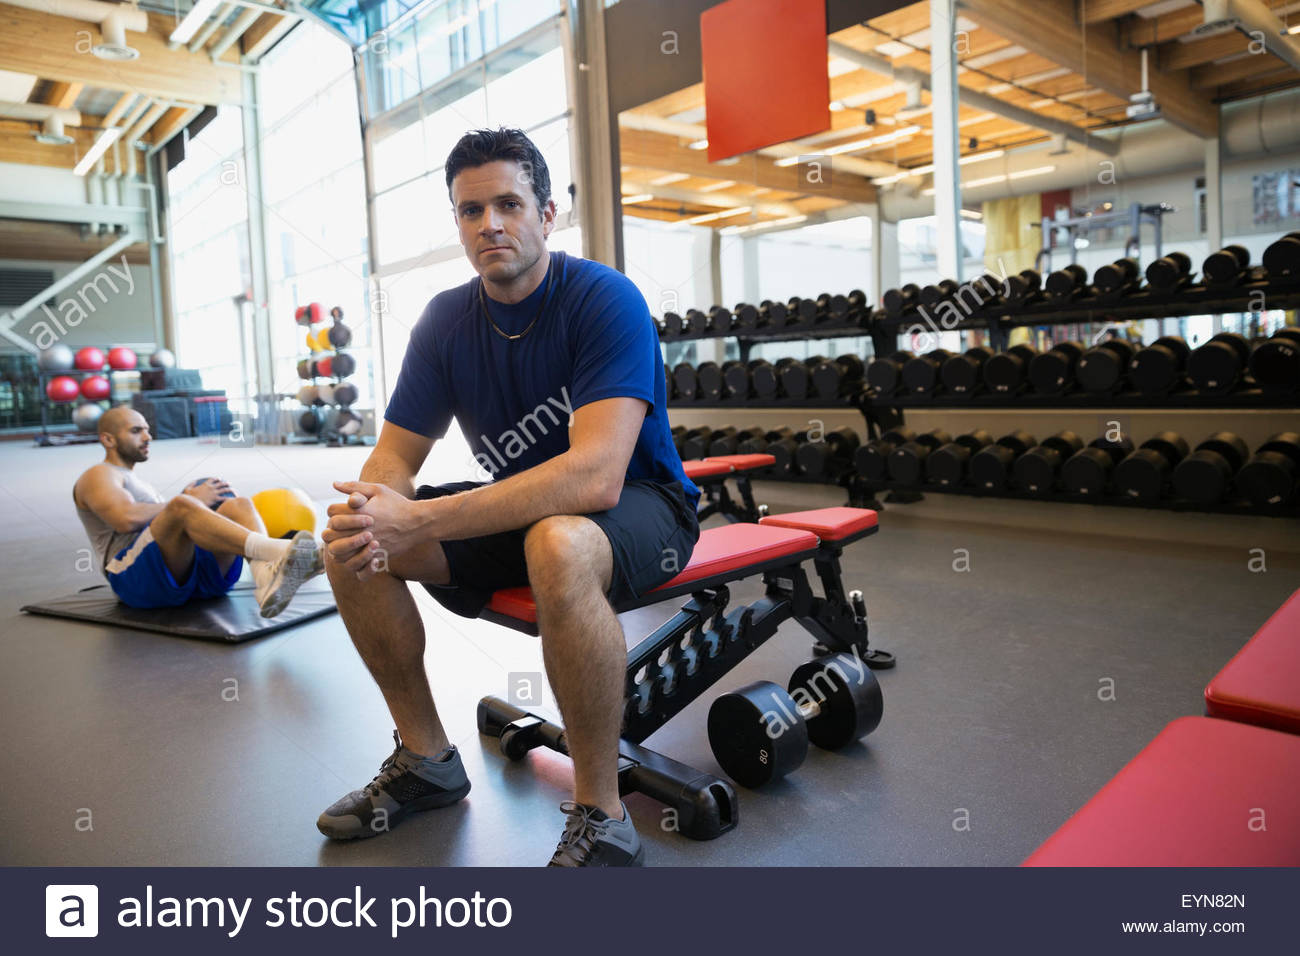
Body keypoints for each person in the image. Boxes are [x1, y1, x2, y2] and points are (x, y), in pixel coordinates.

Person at [318, 128, 700, 867]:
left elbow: (595, 478)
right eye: (469, 210)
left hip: (645, 506)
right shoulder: (444, 320)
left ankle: (603, 815)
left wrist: (420, 517)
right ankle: (426, 761)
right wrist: (377, 507)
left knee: (555, 539)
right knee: (352, 544)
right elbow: (396, 453)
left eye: (507, 204)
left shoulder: (604, 299)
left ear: (547, 213)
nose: (489, 223)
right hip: (526, 507)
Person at [73, 406, 323, 617]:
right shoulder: (99, 474)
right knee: (182, 505)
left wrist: (196, 502)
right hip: (133, 581)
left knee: (238, 504)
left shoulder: (138, 482)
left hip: (185, 577)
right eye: (136, 431)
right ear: (108, 439)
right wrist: (187, 500)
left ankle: (265, 575)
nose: (148, 437)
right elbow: (125, 519)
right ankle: (278, 551)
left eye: (148, 430)